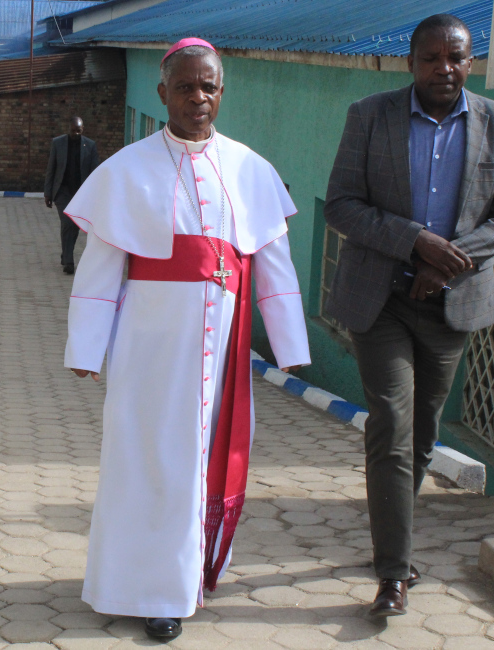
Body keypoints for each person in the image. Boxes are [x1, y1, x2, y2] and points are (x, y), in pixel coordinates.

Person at [63, 38, 310, 640]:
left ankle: (175, 588)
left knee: (195, 467)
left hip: (221, 347)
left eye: (209, 87)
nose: (197, 98)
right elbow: (100, 272)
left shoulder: (251, 168)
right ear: (163, 92)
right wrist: (85, 349)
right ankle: (132, 585)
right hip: (148, 344)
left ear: (221, 92)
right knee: (143, 461)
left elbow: (274, 268)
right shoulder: (125, 170)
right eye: (184, 87)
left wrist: (291, 348)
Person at [323, 14, 494, 617]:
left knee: (421, 433)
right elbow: (342, 204)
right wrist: (415, 241)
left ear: (471, 62)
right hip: (380, 297)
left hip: (451, 304)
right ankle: (393, 572)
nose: (445, 68)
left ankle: (394, 531)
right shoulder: (370, 115)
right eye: (432, 57)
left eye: (457, 58)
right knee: (390, 421)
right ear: (411, 61)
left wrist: (451, 263)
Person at [44, 116, 99, 274]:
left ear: (83, 130)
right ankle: (69, 261)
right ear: (69, 129)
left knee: (73, 226)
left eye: (78, 131)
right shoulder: (58, 143)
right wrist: (48, 193)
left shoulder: (90, 146)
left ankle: (65, 254)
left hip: (80, 193)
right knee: (68, 222)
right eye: (73, 130)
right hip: (62, 191)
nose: (75, 133)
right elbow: (51, 169)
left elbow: (95, 172)